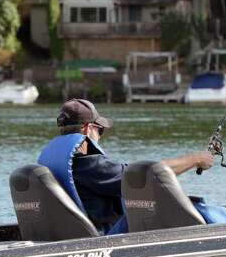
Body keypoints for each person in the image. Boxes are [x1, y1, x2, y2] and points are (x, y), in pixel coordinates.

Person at [49, 98, 215, 232]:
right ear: (87, 129)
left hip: (78, 231)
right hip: (105, 236)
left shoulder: (58, 155)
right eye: (100, 130)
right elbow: (143, 177)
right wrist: (196, 159)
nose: (100, 136)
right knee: (177, 207)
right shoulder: (86, 159)